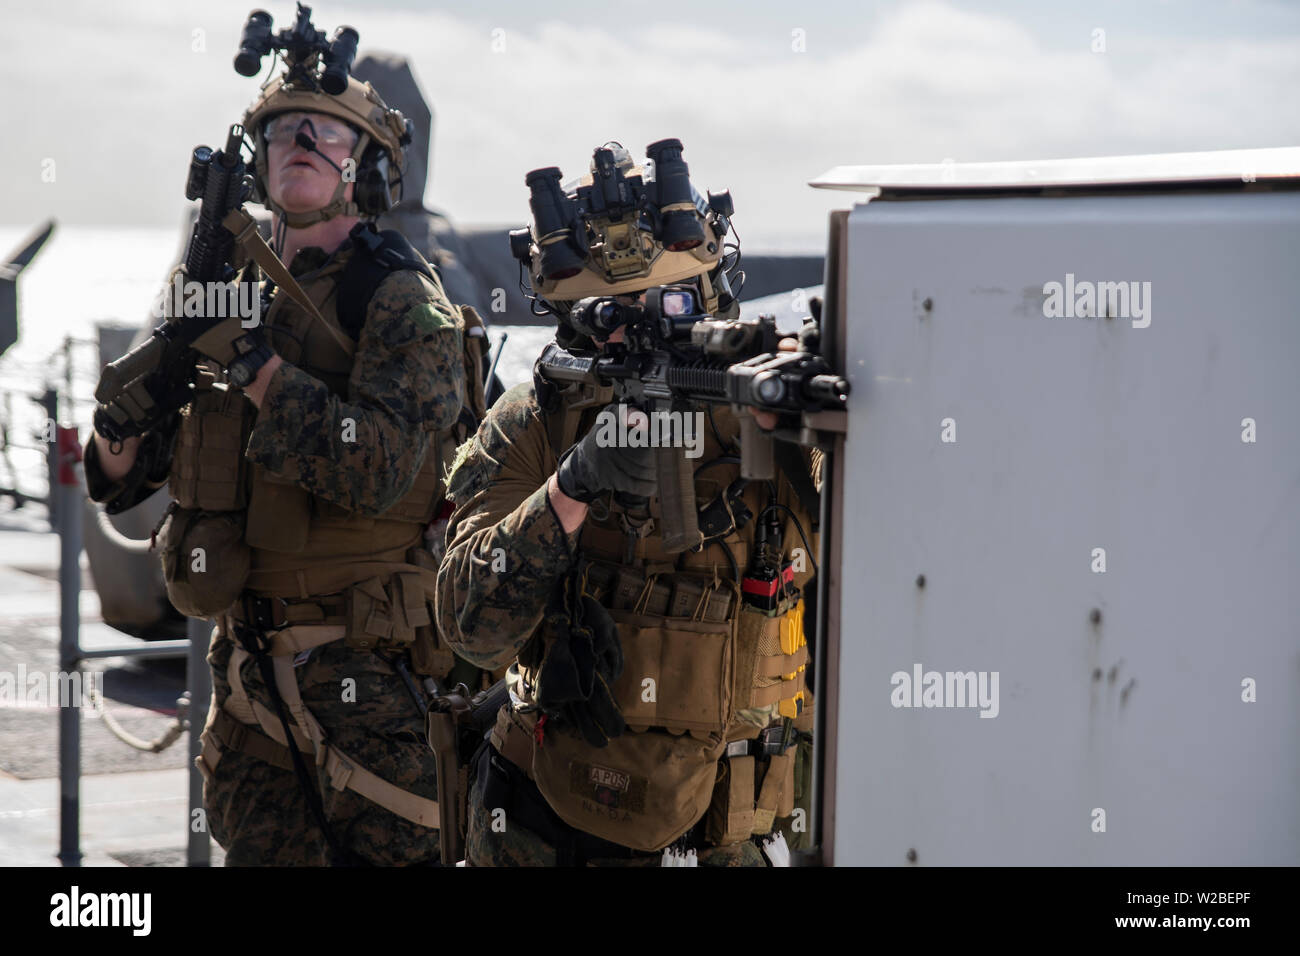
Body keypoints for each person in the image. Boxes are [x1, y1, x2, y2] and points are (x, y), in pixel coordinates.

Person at [85, 37, 485, 865]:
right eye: (281, 132)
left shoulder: (402, 298)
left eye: (324, 134)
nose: (298, 147)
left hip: (370, 683)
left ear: (364, 170)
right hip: (246, 680)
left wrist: (257, 366)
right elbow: (125, 481)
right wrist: (121, 432)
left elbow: (380, 469)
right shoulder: (224, 285)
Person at [436, 141, 818, 866]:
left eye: (666, 305)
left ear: (707, 297)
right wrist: (571, 489)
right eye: (613, 314)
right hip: (541, 829)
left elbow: (901, 563)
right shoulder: (536, 423)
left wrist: (799, 438)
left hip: (727, 831)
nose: (640, 333)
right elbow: (469, 628)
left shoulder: (771, 425)